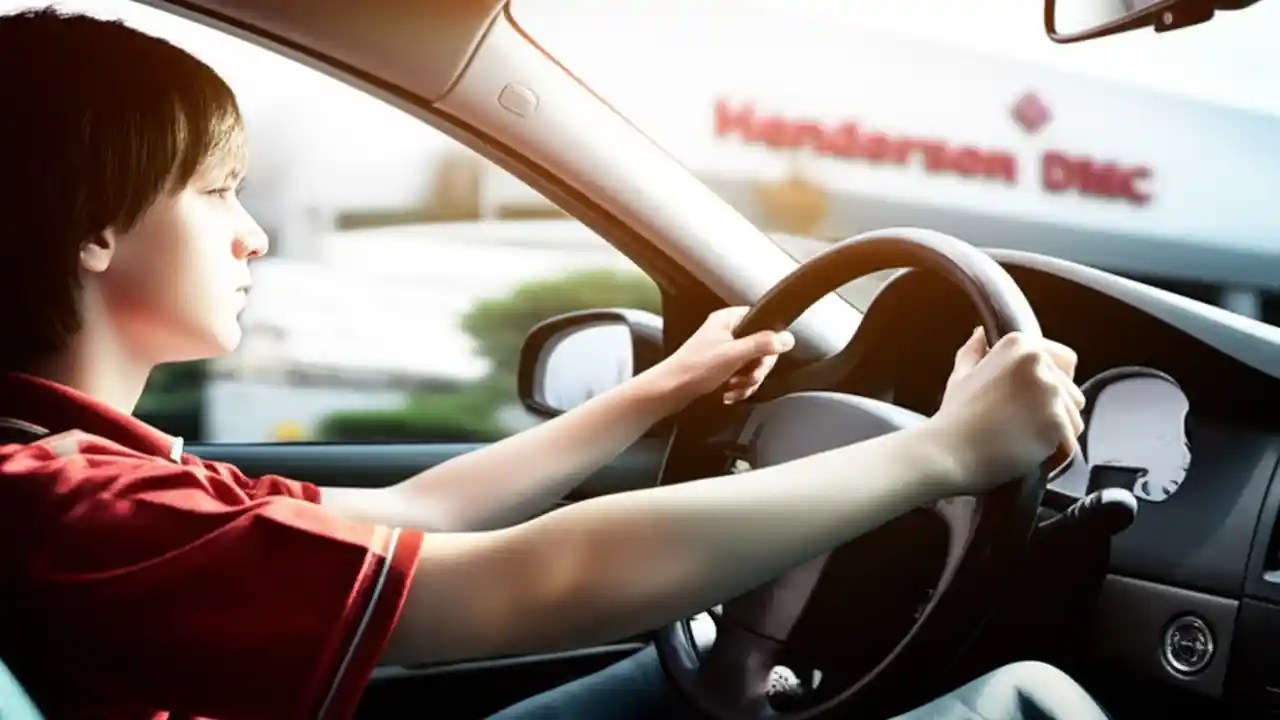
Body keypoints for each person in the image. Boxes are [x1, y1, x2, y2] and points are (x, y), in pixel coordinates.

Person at [0, 8, 1109, 720]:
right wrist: (941, 452)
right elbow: (537, 580)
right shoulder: (72, 507)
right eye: (216, 191)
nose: (253, 234)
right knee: (1025, 704)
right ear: (96, 225)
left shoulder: (82, 469)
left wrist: (655, 389)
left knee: (685, 697)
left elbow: (417, 507)